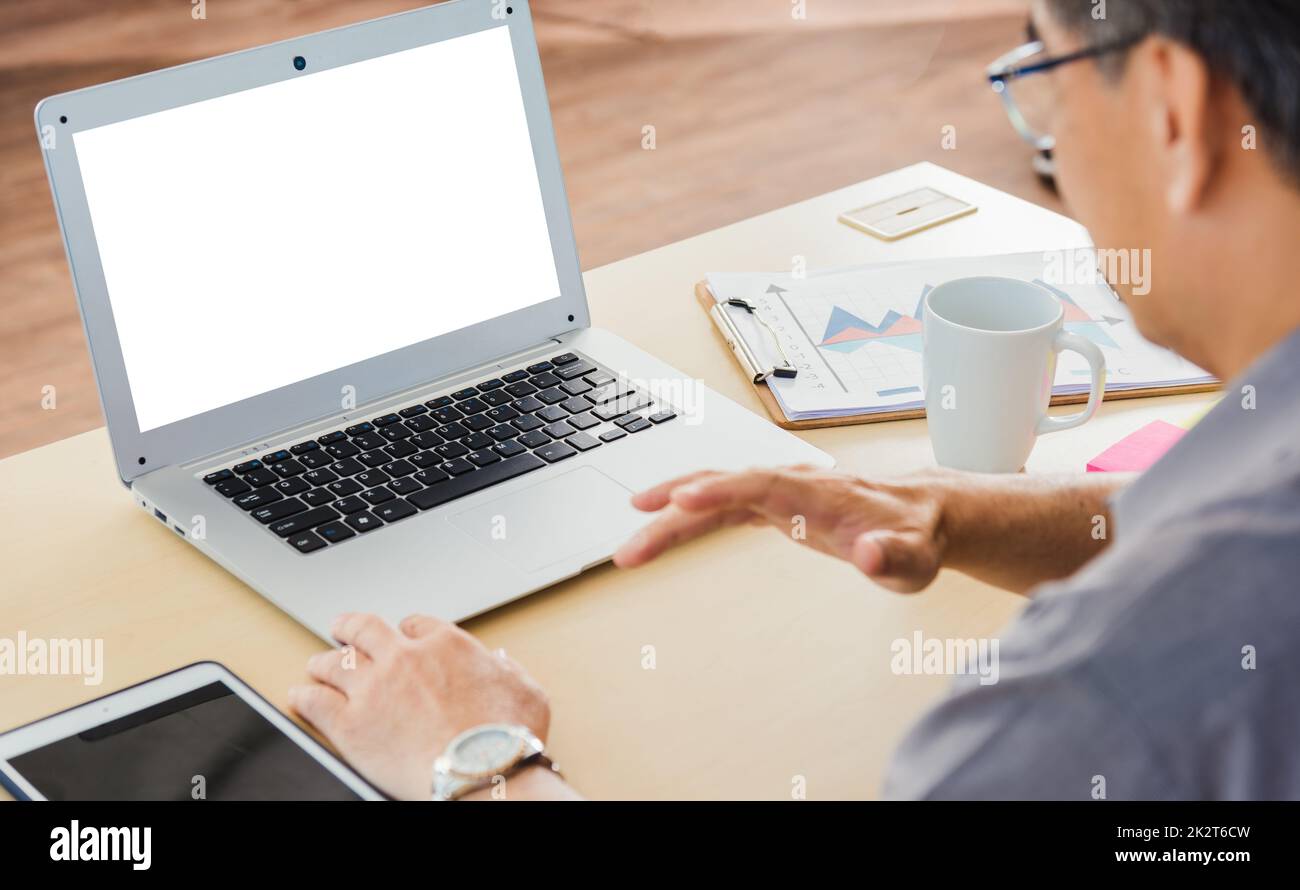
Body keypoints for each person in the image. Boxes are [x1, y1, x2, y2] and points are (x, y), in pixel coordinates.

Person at [288, 0, 1300, 800]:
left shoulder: (1122, 688)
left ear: (1172, 105)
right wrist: (948, 507)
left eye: (1040, 80)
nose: (1054, 157)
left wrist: (481, 763)